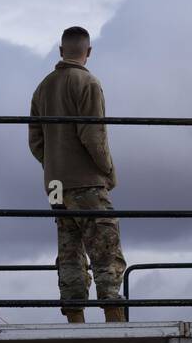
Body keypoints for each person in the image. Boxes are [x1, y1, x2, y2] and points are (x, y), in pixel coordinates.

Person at [28, 26, 126, 324]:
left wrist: (54, 164)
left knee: (69, 248)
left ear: (61, 51)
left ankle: (75, 317)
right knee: (104, 245)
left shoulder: (43, 87)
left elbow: (35, 140)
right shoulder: (88, 83)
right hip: (87, 181)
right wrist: (107, 170)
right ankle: (113, 317)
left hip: (56, 184)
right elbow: (92, 135)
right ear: (89, 52)